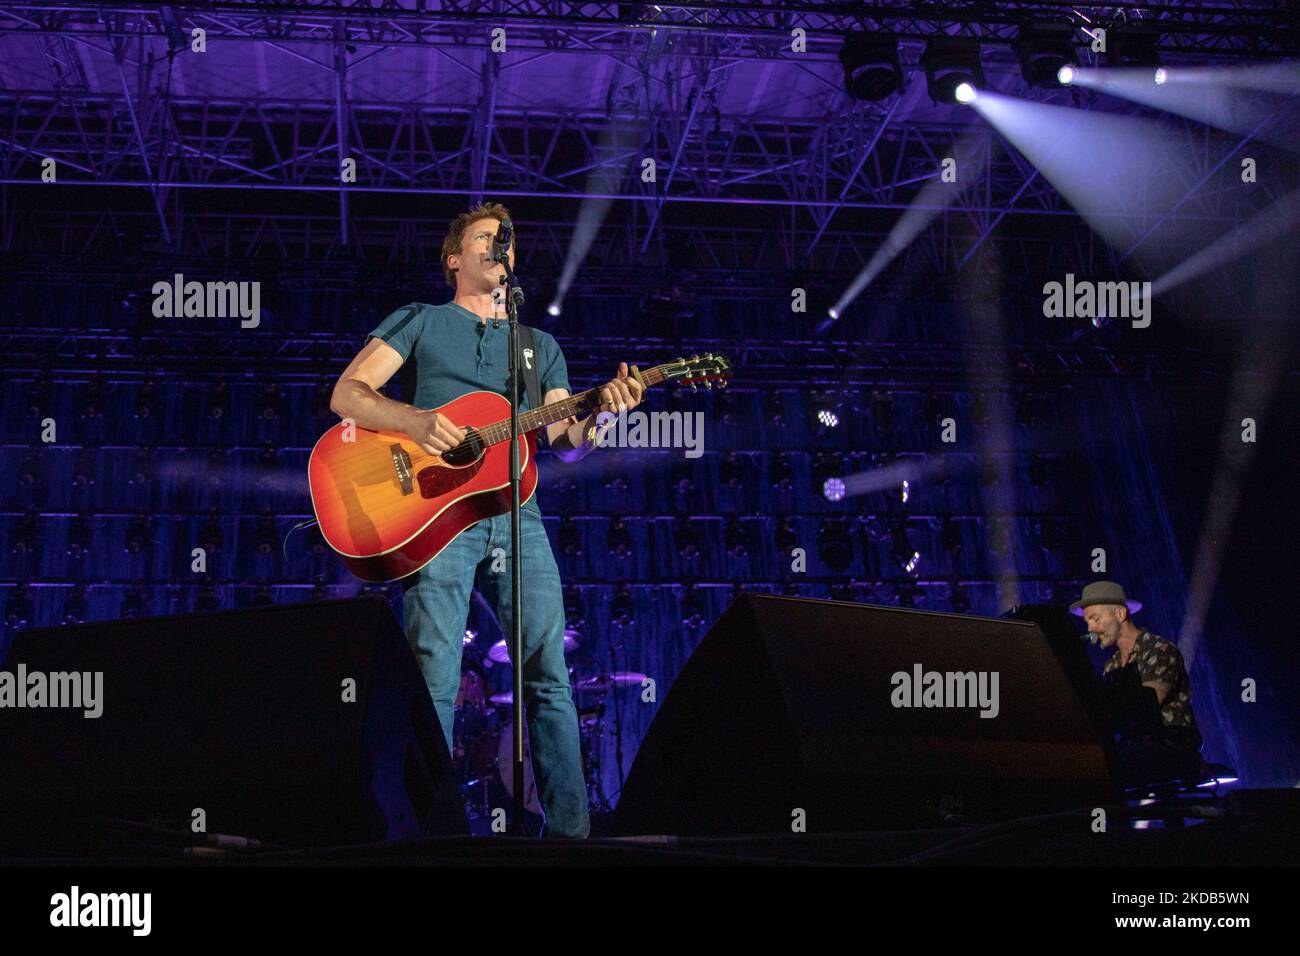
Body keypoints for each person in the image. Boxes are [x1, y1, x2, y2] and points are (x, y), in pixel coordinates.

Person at [329, 202, 643, 837]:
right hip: (433, 515)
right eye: (484, 236)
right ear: (453, 259)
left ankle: (572, 838)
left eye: (507, 240)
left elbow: (564, 438)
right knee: (433, 676)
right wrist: (417, 421)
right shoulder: (420, 321)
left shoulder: (537, 346)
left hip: (517, 515)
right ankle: (430, 835)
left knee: (549, 677)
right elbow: (347, 395)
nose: (499, 244)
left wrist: (606, 412)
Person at [1070, 581, 1203, 788]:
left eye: (1095, 619)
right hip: (1133, 746)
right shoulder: (1112, 665)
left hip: (1170, 744)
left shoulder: (1159, 649)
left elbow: (1148, 705)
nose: (1090, 629)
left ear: (1120, 614)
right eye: (1087, 622)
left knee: (1107, 768)